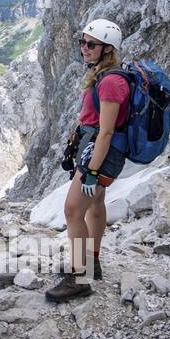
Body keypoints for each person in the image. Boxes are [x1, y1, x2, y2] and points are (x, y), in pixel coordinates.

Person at [45, 18, 130, 301]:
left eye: (91, 44)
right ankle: (91, 263)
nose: (84, 48)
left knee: (72, 210)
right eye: (82, 42)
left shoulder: (111, 83)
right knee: (95, 203)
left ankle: (79, 278)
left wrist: (92, 171)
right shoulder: (105, 75)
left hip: (100, 153)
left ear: (108, 49)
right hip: (97, 149)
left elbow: (106, 133)